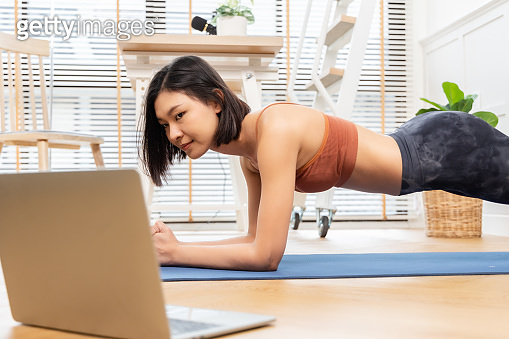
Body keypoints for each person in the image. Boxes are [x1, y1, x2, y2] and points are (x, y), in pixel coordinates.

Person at [139, 55, 509, 271]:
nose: (173, 133)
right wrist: (178, 246)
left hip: (443, 148)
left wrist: (176, 254)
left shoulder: (275, 131)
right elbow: (255, 240)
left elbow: (267, 257)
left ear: (216, 100)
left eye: (179, 115)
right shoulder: (250, 156)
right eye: (164, 125)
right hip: (423, 151)